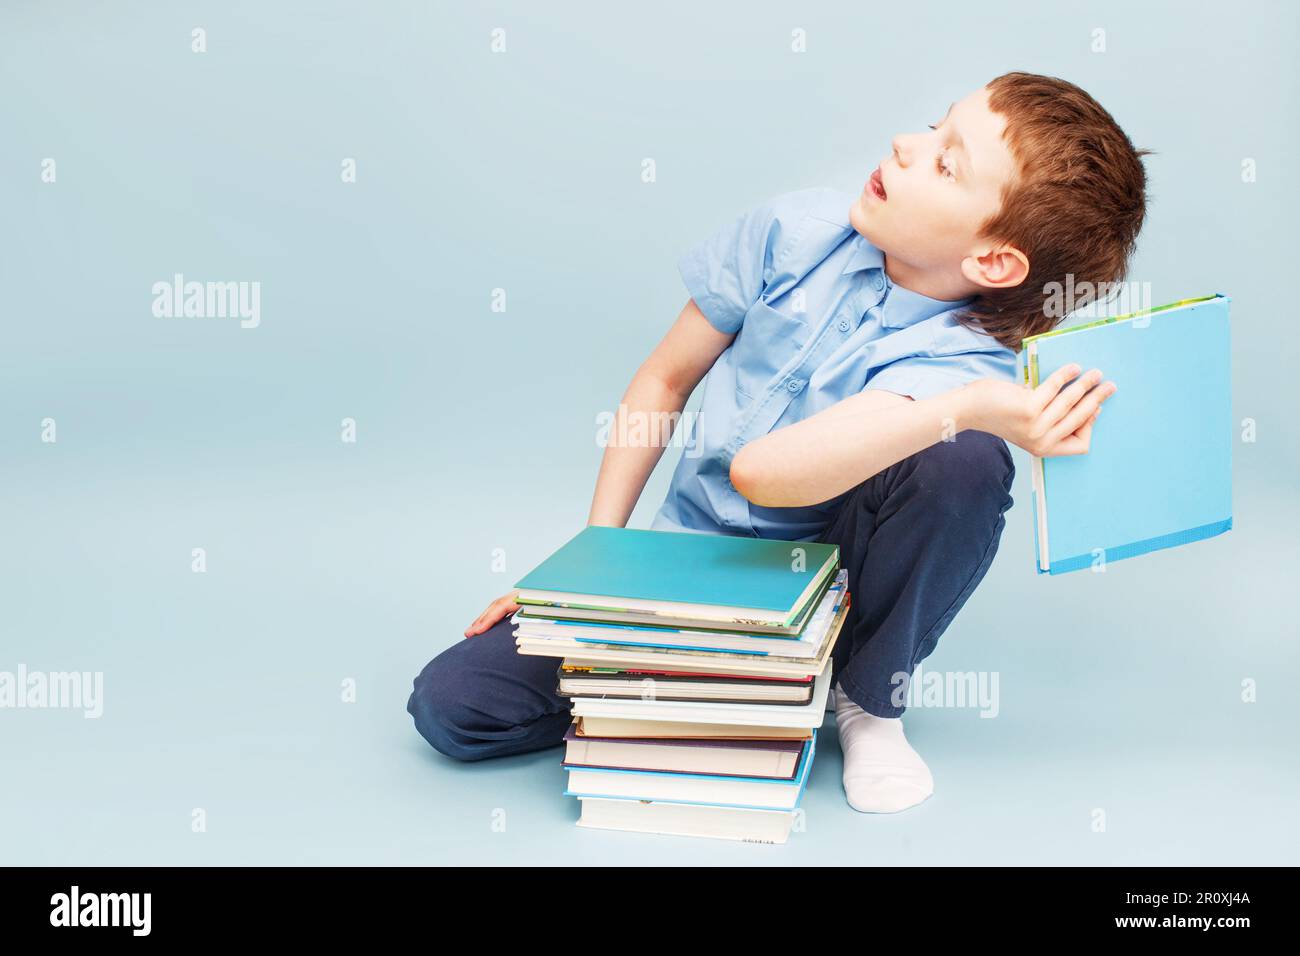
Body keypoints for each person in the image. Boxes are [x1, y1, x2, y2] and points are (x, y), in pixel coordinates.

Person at [409, 71, 1147, 813]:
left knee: (968, 457)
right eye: (932, 126)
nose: (905, 144)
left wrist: (977, 405)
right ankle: (715, 692)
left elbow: (763, 474)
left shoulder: (965, 365)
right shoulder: (792, 232)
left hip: (820, 591)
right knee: (451, 705)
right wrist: (594, 566)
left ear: (993, 259)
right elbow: (663, 382)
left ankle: (865, 700)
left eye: (945, 162)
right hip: (687, 558)